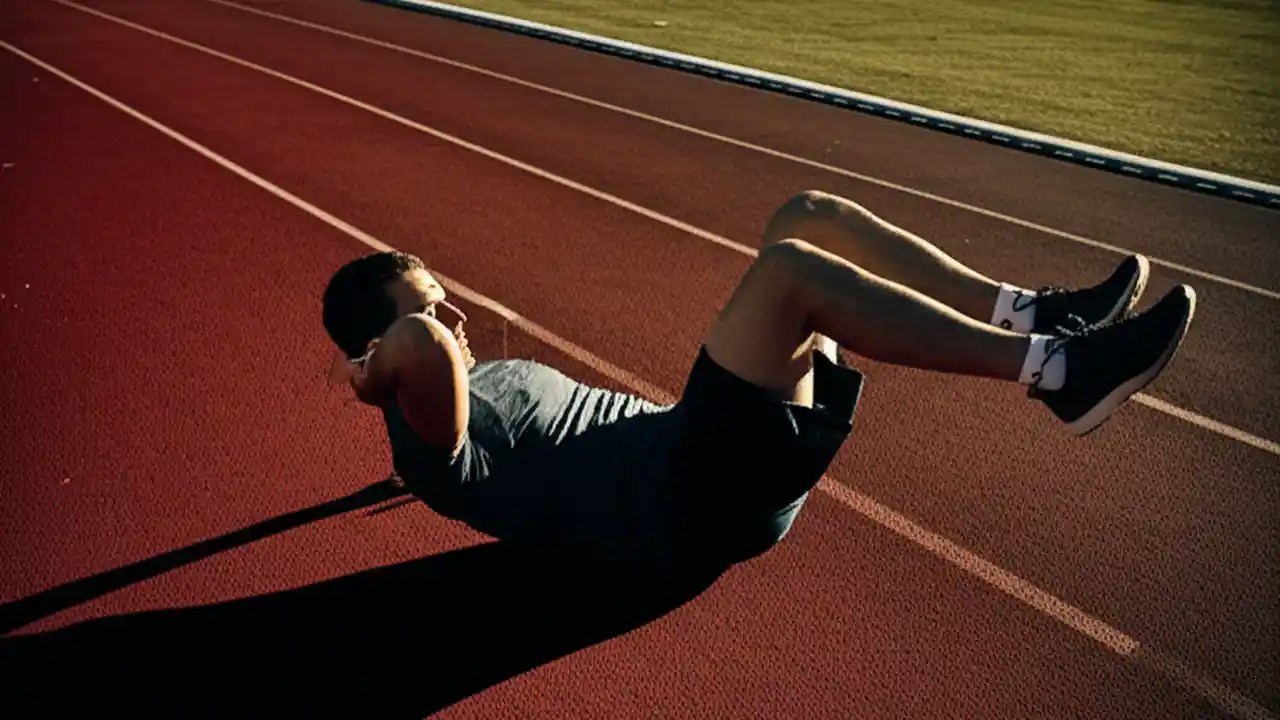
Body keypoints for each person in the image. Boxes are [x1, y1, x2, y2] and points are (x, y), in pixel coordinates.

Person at [321, 190, 1195, 571]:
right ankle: (1061, 373)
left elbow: (430, 373)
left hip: (717, 461)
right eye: (434, 312)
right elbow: (421, 357)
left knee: (805, 217)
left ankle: (1033, 317)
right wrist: (368, 374)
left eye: (447, 303)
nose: (456, 321)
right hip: (689, 501)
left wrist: (395, 369)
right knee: (788, 274)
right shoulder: (432, 428)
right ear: (384, 348)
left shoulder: (437, 432)